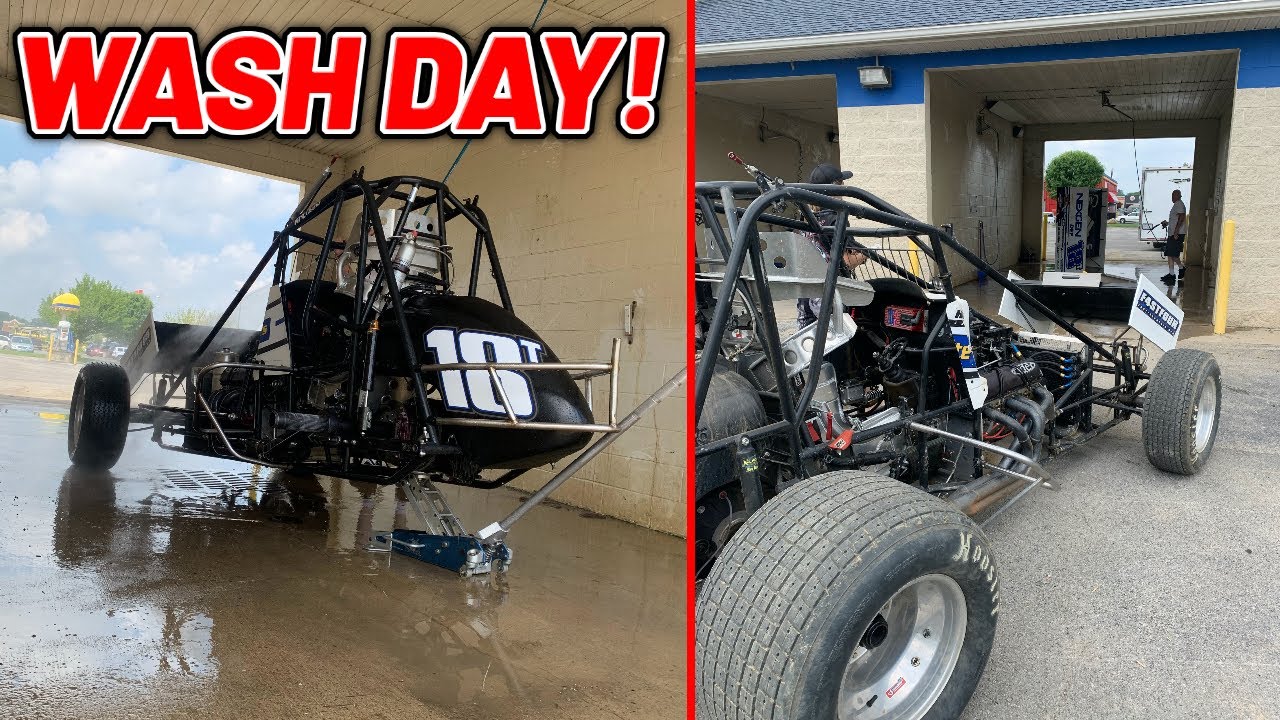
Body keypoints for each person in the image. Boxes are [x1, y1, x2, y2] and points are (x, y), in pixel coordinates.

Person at [797, 163, 869, 327]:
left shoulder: (806, 218)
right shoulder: (837, 219)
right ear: (835, 187)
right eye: (842, 184)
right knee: (838, 336)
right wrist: (865, 254)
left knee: (810, 338)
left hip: (806, 293)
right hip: (829, 293)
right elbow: (846, 262)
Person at [1160, 189, 1187, 284]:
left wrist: (1176, 232)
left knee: (1174, 255)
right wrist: (1167, 223)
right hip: (1173, 233)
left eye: (1174, 195)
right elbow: (1176, 219)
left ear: (1178, 196)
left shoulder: (1179, 204)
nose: (1172, 197)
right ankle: (1171, 274)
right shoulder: (1176, 205)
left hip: (1177, 234)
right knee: (1170, 254)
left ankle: (1182, 268)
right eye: (1172, 195)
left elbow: (1181, 218)